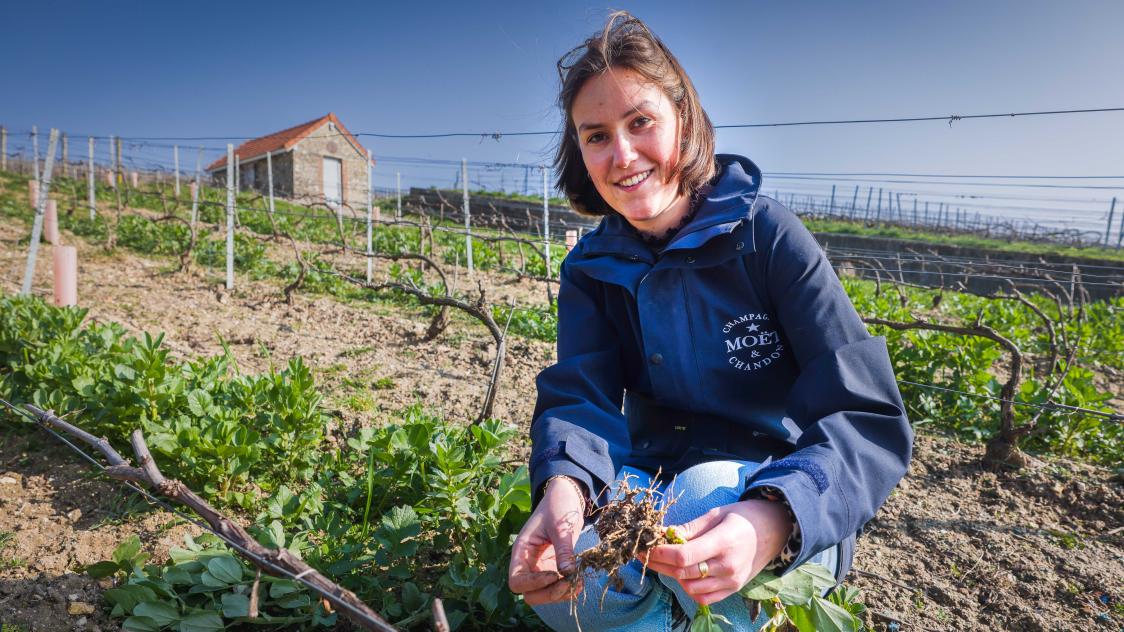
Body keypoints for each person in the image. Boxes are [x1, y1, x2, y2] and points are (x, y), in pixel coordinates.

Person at [507, 11, 912, 631]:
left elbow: (866, 415)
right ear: (578, 150)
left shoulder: (767, 237)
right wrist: (566, 484)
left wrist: (774, 518)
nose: (623, 155)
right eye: (596, 135)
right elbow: (580, 395)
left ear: (684, 119)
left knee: (704, 498)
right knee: (572, 576)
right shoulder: (591, 267)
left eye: (640, 122)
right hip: (654, 486)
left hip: (791, 500)